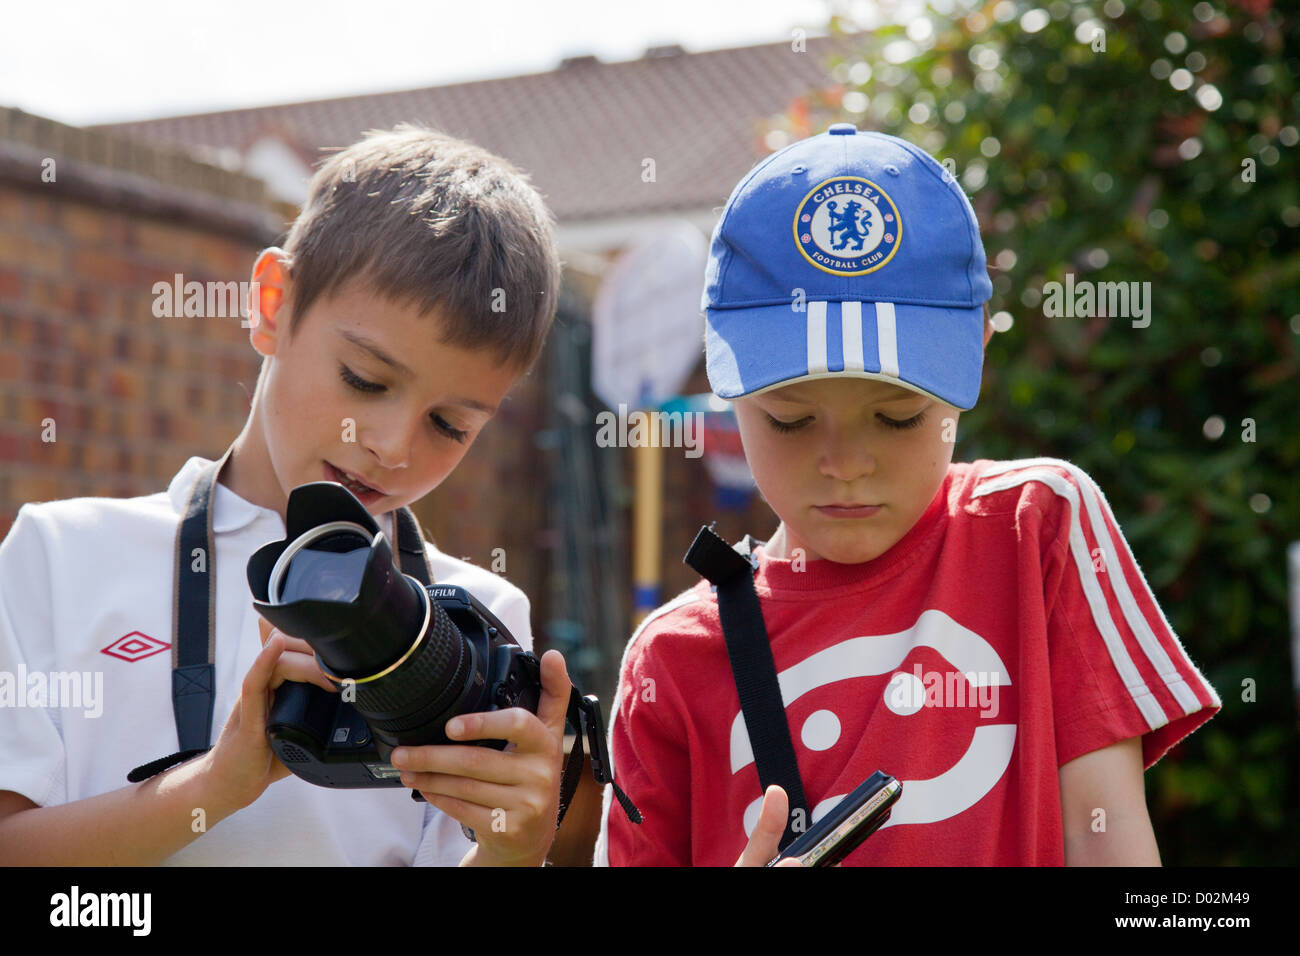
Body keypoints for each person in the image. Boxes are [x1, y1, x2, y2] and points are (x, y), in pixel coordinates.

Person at [595, 124, 1221, 866]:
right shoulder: (671, 662)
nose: (846, 463)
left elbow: (1109, 837)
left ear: (977, 353)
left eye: (899, 415)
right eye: (790, 420)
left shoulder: (1037, 527)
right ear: (721, 379)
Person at [0, 125, 569, 866]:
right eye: (365, 380)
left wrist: (513, 848)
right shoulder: (60, 557)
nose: (393, 445)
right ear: (272, 304)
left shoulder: (475, 621)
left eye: (449, 424)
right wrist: (215, 785)